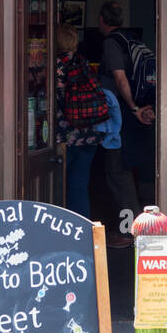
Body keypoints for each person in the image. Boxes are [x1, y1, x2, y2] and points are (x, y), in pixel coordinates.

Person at [97, 0, 155, 245]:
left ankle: (128, 232)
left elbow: (120, 81)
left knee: (117, 172)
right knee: (139, 169)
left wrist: (132, 108)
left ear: (102, 20)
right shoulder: (134, 40)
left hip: (123, 114)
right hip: (141, 113)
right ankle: (150, 226)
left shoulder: (111, 43)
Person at [54, 25, 102, 218]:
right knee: (80, 187)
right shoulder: (84, 63)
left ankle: (59, 232)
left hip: (66, 136)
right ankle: (82, 230)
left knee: (59, 187)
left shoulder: (57, 65)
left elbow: (57, 98)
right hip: (90, 135)